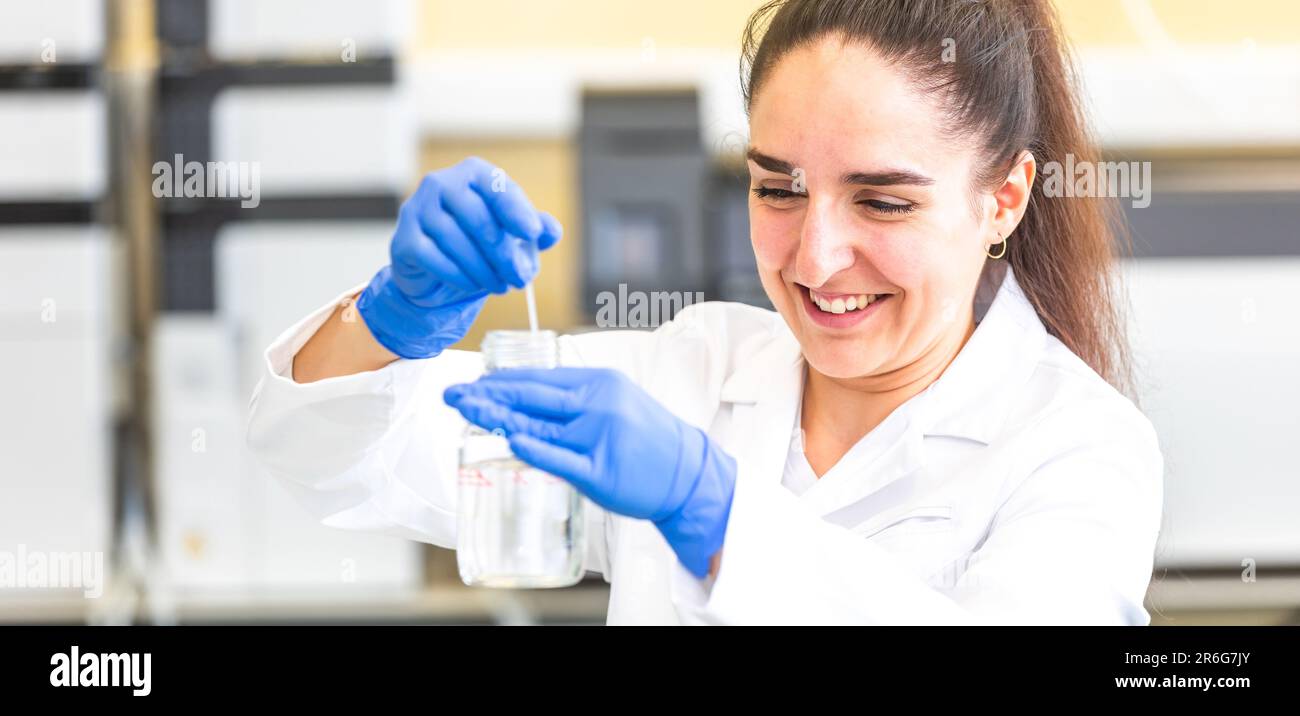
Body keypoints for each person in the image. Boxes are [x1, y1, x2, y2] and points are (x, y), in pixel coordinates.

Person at [247, 0, 1163, 624]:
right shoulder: (689, 372)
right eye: (778, 189)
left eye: (882, 202)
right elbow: (335, 469)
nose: (815, 257)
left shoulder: (1078, 447)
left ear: (1002, 200)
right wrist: (393, 322)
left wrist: (713, 513)